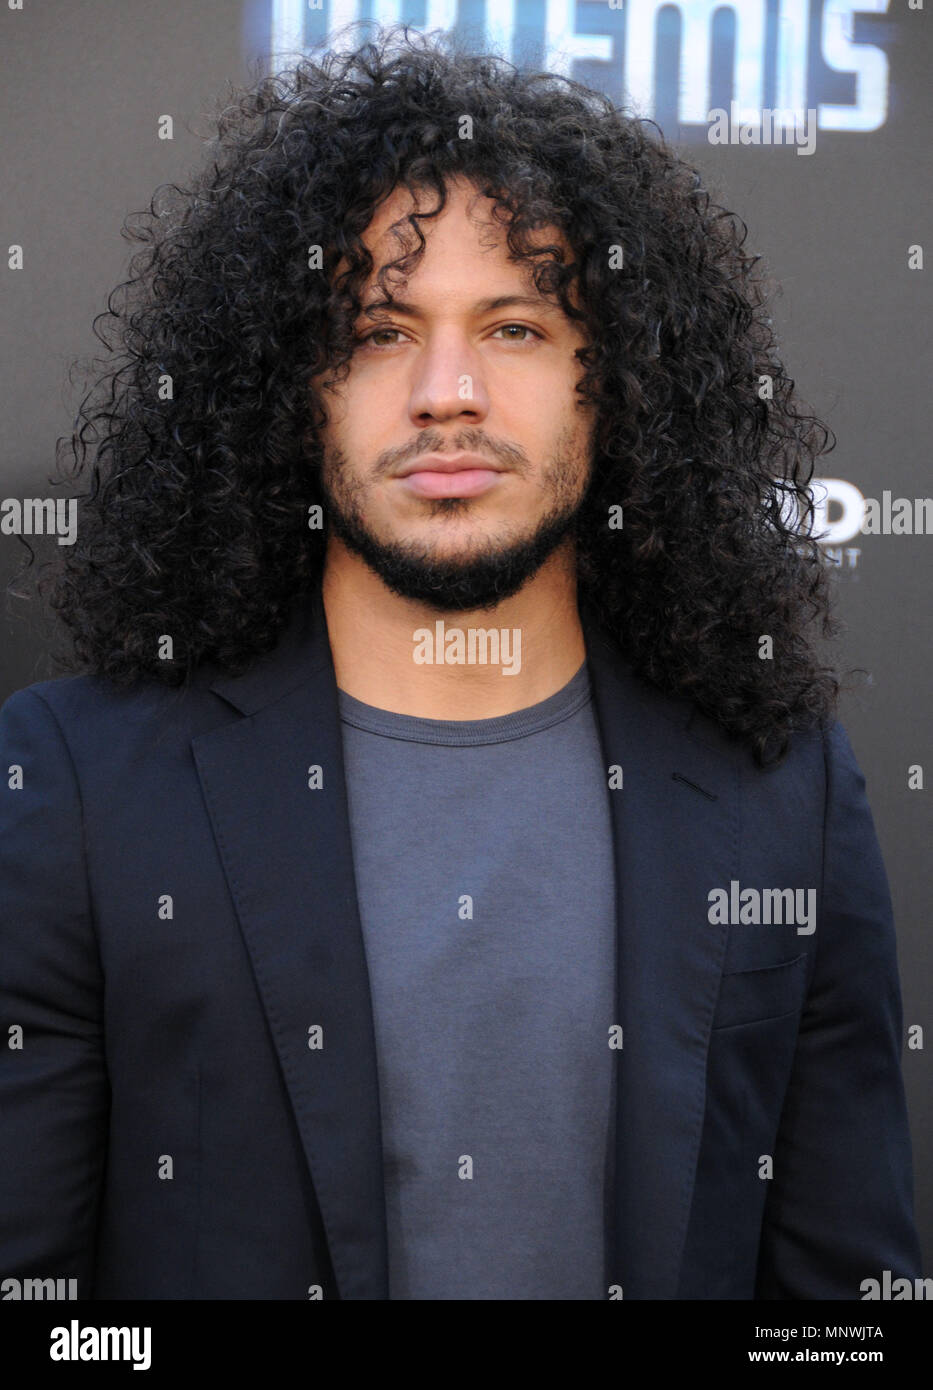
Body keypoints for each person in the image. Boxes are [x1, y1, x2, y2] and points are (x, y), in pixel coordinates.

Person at [0, 26, 922, 1300]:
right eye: (379, 329)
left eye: (518, 328)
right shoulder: (77, 785)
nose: (448, 391)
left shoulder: (782, 790)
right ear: (288, 384)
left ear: (623, 387)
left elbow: (842, 1312)